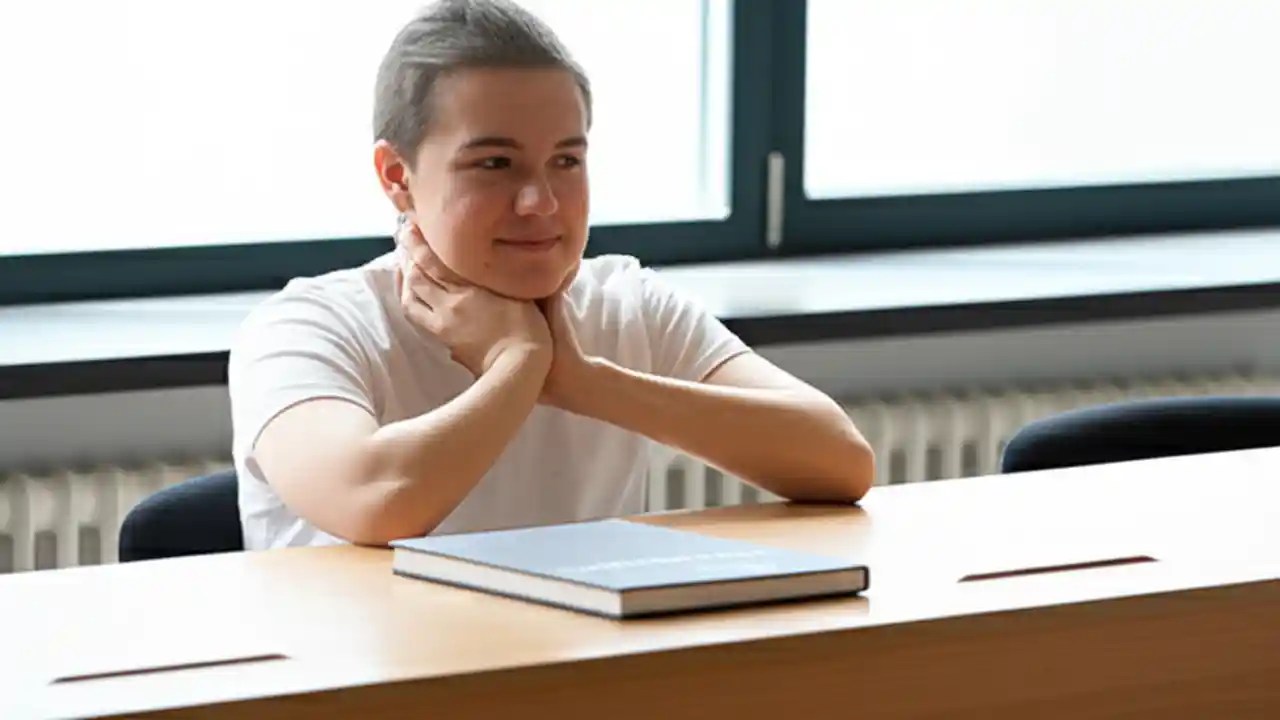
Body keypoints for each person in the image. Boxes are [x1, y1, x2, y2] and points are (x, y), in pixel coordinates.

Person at [228, 0, 875, 550]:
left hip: (579, 662)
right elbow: (373, 500)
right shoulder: (308, 326)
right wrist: (519, 363)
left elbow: (841, 460)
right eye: (494, 164)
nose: (539, 202)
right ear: (397, 176)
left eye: (566, 161)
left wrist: (582, 381)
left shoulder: (628, 302)